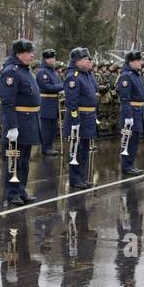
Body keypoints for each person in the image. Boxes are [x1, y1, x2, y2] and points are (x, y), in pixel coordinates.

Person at [0, 39, 39, 204]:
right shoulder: (11, 72)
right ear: (19, 54)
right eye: (29, 52)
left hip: (29, 122)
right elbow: (8, 102)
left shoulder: (26, 71)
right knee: (13, 159)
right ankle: (12, 193)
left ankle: (21, 190)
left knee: (24, 161)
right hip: (18, 122)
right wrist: (12, 127)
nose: (32, 55)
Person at [64, 46, 99, 189]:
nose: (87, 61)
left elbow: (94, 89)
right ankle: (75, 178)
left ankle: (82, 177)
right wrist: (75, 119)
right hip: (79, 117)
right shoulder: (74, 76)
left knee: (85, 150)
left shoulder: (86, 74)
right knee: (76, 149)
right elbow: (72, 101)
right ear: (76, 61)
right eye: (84, 59)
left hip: (89, 116)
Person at [116, 50, 144, 175]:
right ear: (131, 62)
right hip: (131, 111)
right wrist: (128, 115)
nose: (141, 63)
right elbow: (125, 98)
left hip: (138, 110)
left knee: (135, 140)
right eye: (138, 60)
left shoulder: (136, 75)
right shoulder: (126, 76)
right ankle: (126, 166)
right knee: (128, 139)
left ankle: (131, 164)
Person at [36, 49, 64, 159]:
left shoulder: (52, 72)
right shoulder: (42, 72)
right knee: (46, 127)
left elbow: (57, 84)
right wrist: (62, 86)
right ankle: (45, 148)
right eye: (51, 58)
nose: (54, 60)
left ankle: (50, 146)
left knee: (53, 127)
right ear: (46, 59)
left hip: (53, 102)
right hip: (46, 102)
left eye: (54, 58)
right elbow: (47, 87)